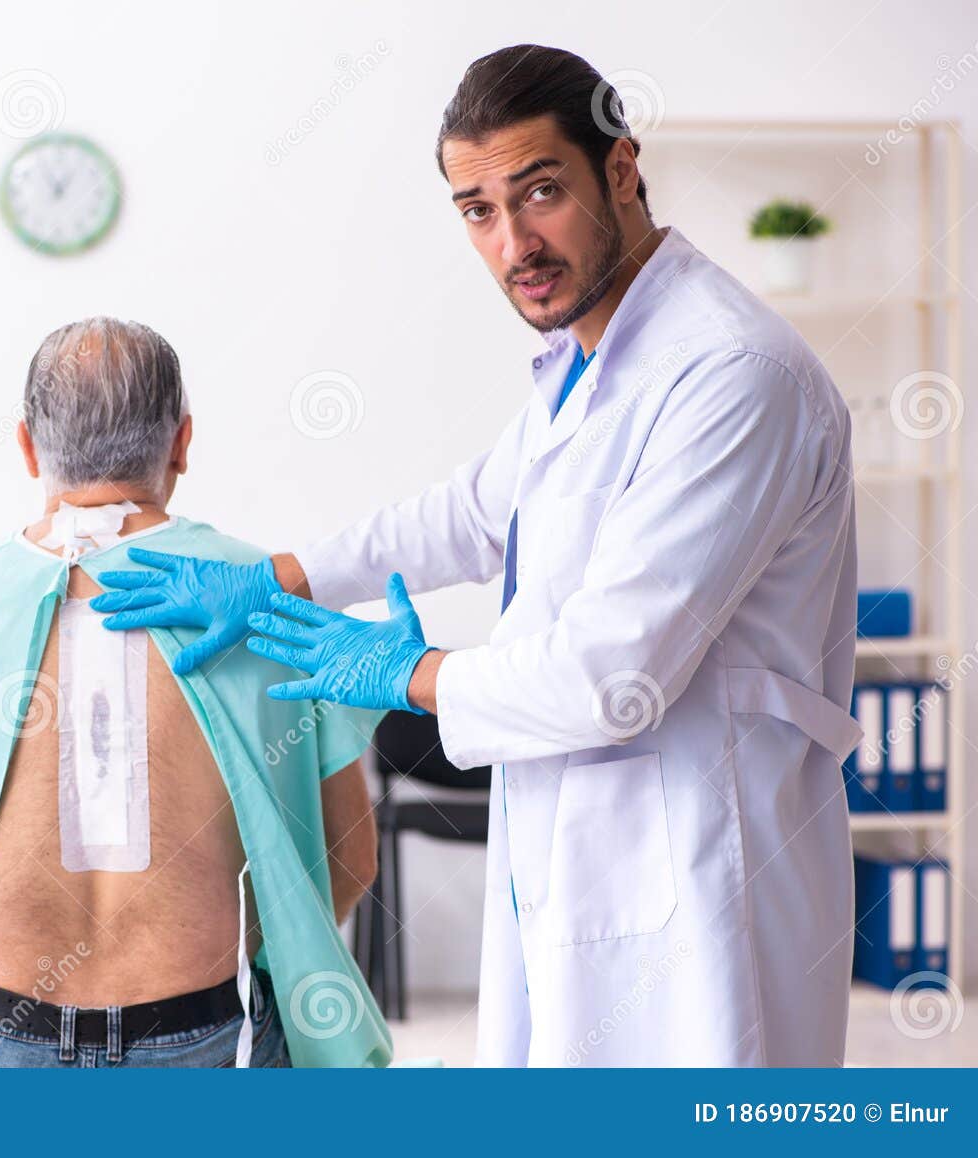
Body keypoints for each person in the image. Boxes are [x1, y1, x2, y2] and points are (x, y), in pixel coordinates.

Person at [93, 45, 861, 1066]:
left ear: (620, 169)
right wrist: (271, 580)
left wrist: (409, 674)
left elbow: (610, 678)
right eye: (477, 210)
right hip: (582, 853)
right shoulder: (585, 367)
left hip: (707, 875)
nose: (513, 244)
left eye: (540, 192)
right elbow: (465, 516)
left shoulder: (732, 372)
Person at [0, 316, 392, 1068]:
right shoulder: (270, 600)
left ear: (27, 447)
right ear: (182, 442)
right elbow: (350, 862)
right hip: (213, 1036)